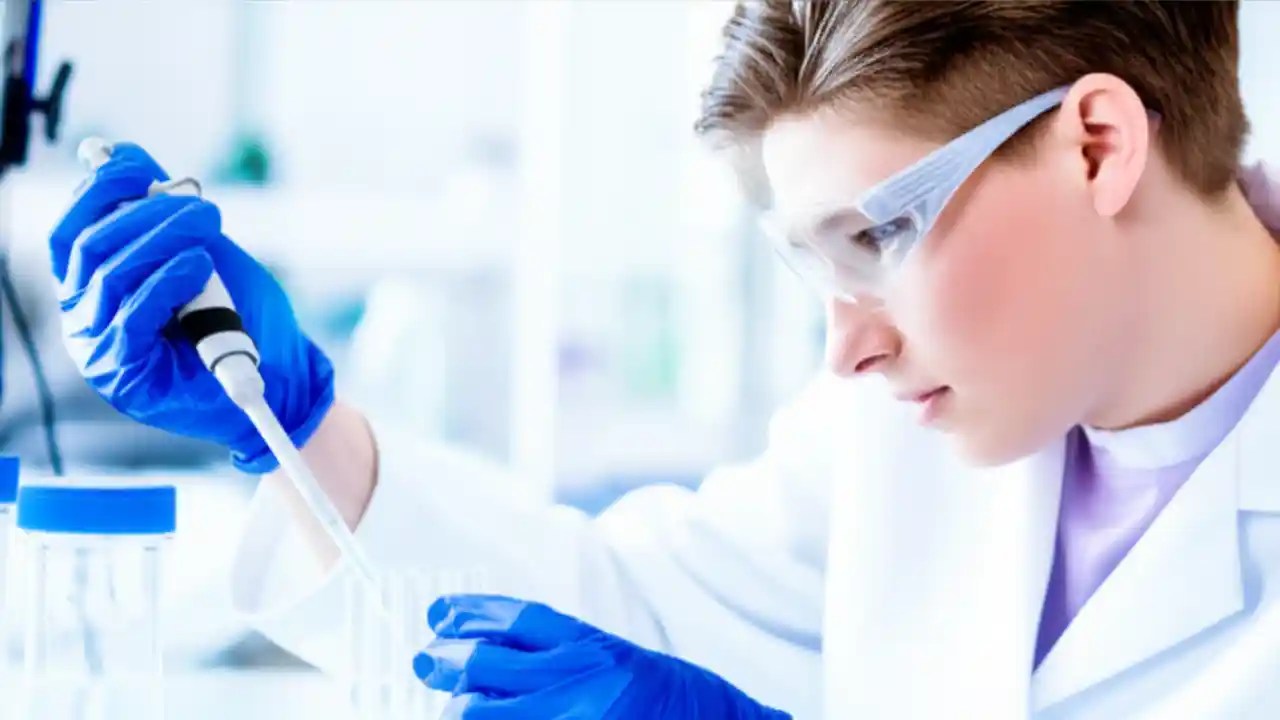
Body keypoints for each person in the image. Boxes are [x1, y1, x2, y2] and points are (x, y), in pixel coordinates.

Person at [44, 1, 1280, 717]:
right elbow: (604, 627)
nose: (847, 346)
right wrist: (296, 424)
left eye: (880, 236)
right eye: (816, 262)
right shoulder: (917, 415)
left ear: (1094, 145)